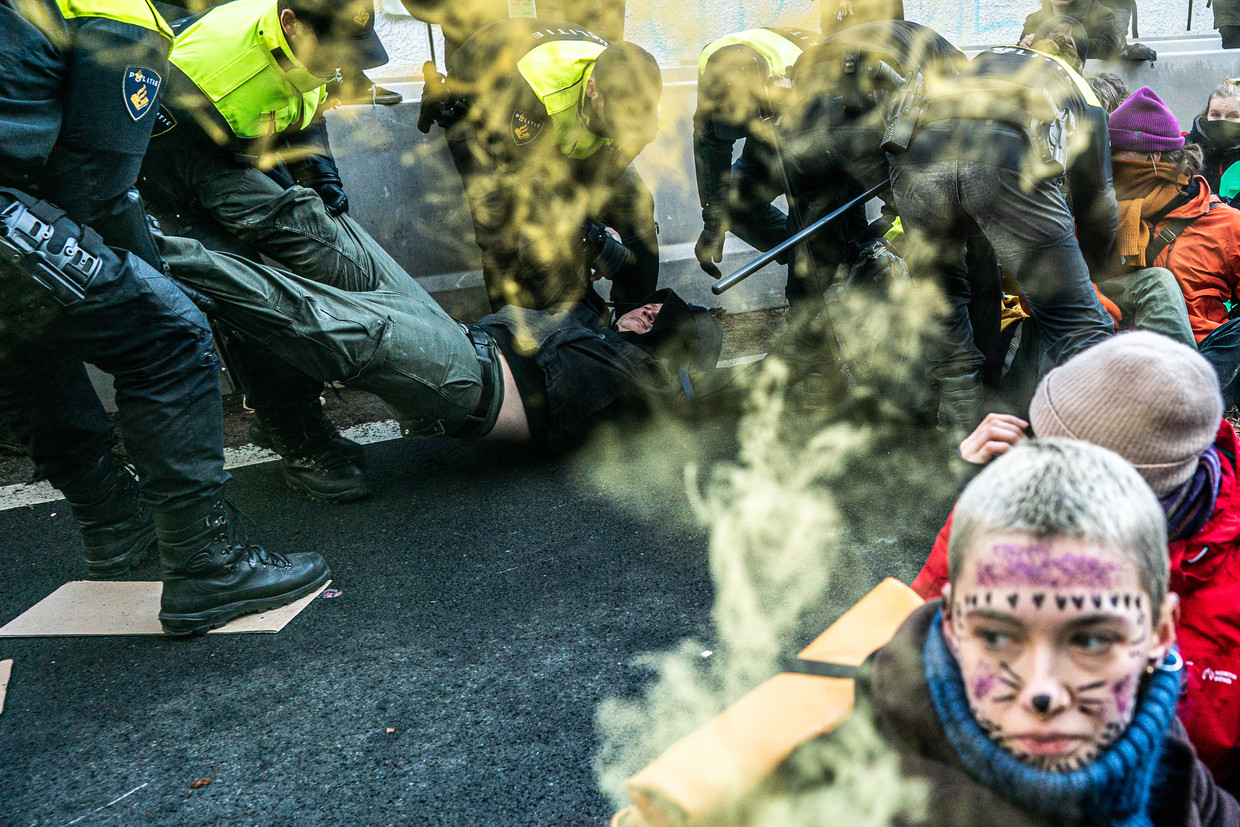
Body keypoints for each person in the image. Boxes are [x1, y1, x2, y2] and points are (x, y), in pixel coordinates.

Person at [0, 0, 329, 635]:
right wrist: (159, 282)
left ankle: (119, 530)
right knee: (168, 333)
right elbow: (95, 193)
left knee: (21, 337)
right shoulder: (117, 7)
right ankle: (209, 566)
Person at [742, 439, 1238, 824]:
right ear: (952, 620)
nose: (1043, 692)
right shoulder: (841, 799)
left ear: (1160, 632)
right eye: (999, 638)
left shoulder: (1168, 759)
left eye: (1089, 641)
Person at [912, 331, 1240, 792]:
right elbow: (910, 642)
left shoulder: (1224, 578)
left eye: (1051, 457)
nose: (1029, 463)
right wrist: (977, 501)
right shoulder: (1025, 509)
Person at [137, 0, 397, 503]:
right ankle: (296, 437)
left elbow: (307, 104)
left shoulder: (298, 40)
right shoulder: (210, 70)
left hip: (229, 152)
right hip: (163, 172)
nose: (340, 65)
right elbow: (159, 153)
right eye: (332, 51)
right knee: (252, 300)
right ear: (290, 23)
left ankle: (285, 408)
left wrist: (315, 168)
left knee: (308, 277)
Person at [155, 233, 724, 452]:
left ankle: (154, 250)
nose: (643, 311)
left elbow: (684, 402)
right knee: (338, 239)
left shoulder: (639, 383)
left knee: (306, 313)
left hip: (468, 382)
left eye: (655, 316)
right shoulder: (602, 338)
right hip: (459, 341)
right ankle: (178, 199)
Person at [886, 41, 1117, 434]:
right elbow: (1099, 202)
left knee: (943, 289)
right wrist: (1095, 269)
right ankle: (1109, 438)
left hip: (917, 155)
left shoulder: (980, 64)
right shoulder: (1080, 88)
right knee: (1075, 320)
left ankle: (961, 428)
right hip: (1004, 157)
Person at [430, 18, 663, 314]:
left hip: (553, 115)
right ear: (593, 88)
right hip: (484, 105)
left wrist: (596, 228)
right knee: (499, 224)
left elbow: (601, 178)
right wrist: (584, 235)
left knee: (635, 205)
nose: (624, 130)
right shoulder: (538, 86)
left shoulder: (646, 111)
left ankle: (633, 326)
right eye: (616, 120)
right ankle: (512, 336)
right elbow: (528, 185)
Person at [1104, 86, 1240, 406]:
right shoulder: (1097, 216)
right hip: (1118, 358)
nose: (1108, 165)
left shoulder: (1227, 224)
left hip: (1203, 365)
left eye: (1116, 154)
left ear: (1154, 159)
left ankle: (1186, 404)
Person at [692, 28, 820, 288]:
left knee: (819, 208)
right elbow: (710, 142)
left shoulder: (802, 70)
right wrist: (714, 219)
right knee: (734, 206)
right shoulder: (710, 62)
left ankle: (835, 270)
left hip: (812, 123)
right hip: (769, 123)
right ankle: (807, 261)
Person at [1185, 79, 1240, 202]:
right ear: (1206, 116)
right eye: (1215, 115)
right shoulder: (1187, 148)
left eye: (1232, 116)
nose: (1223, 121)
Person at [1019, 0, 1123, 59]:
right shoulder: (1033, 20)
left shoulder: (1099, 14)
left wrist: (1061, 42)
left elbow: (1111, 47)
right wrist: (1024, 45)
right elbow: (1020, 56)